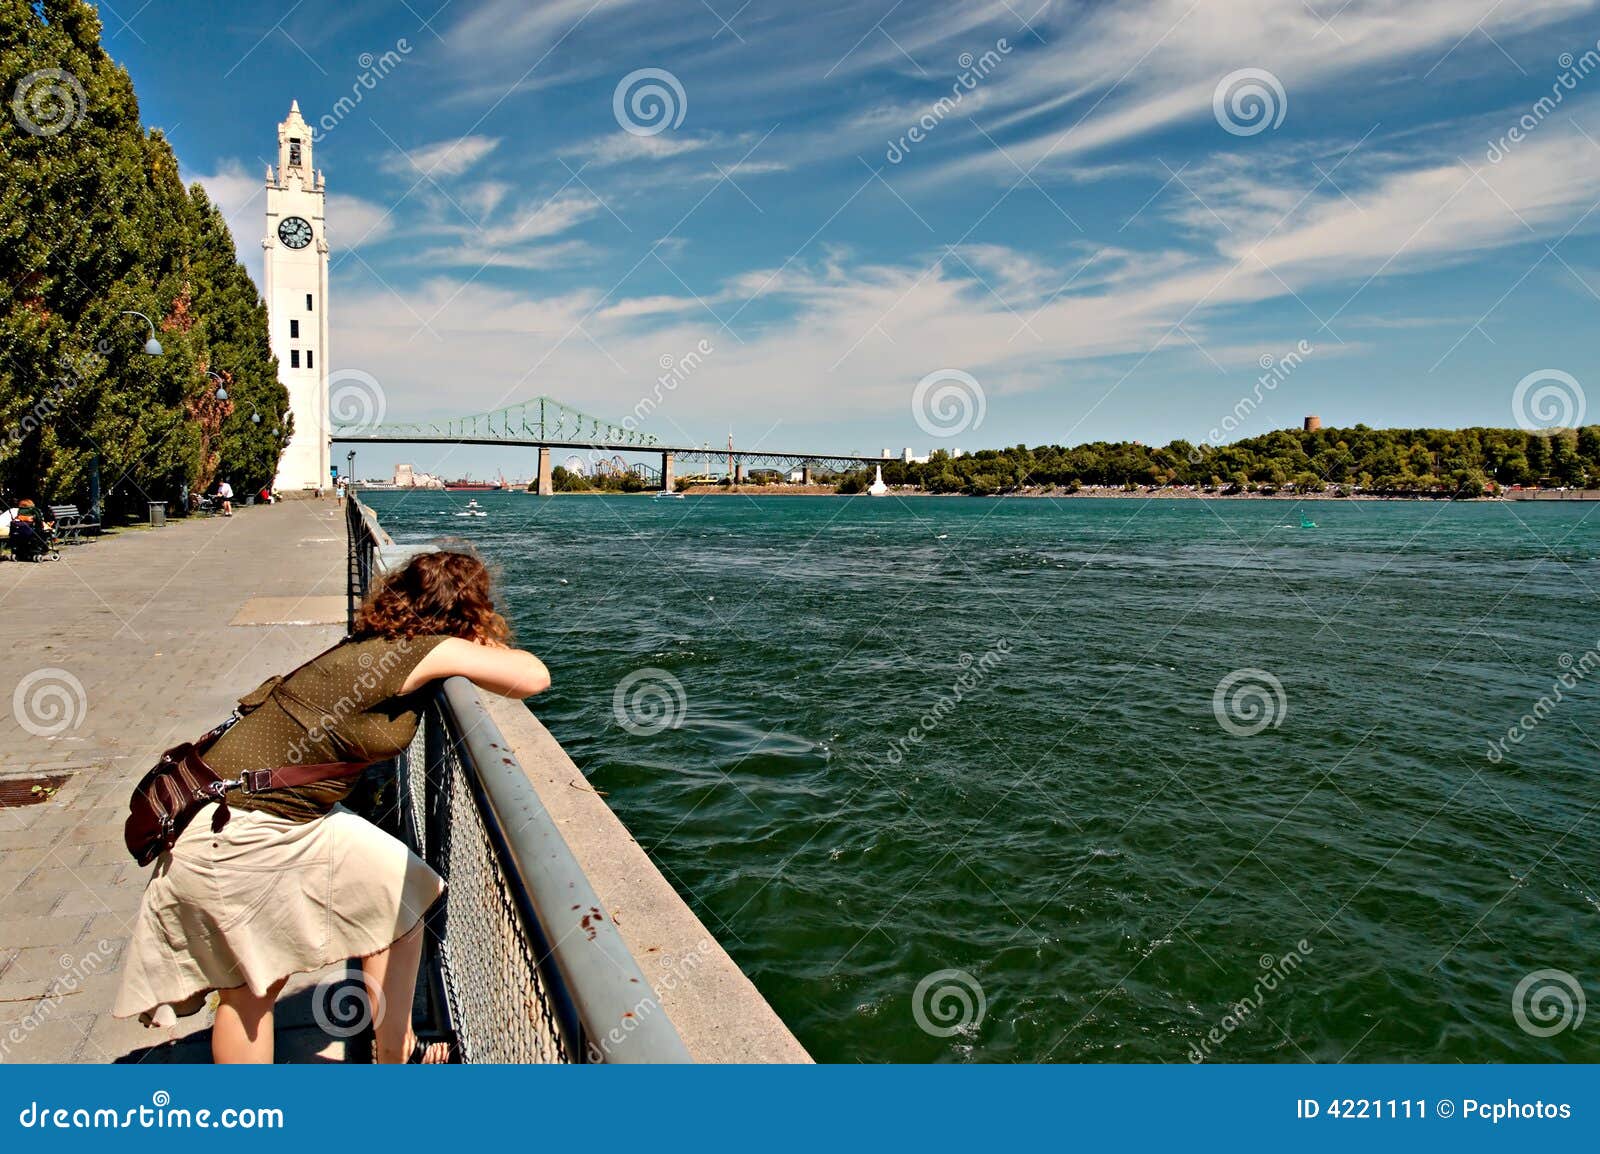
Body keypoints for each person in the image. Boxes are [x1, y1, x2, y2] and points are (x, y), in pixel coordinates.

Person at [113, 550, 551, 1063]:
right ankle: (379, 1062)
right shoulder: (421, 651)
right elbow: (533, 676)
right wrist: (472, 641)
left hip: (226, 814)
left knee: (398, 897)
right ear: (467, 611)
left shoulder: (370, 642)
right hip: (242, 832)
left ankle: (394, 1049)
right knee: (255, 987)